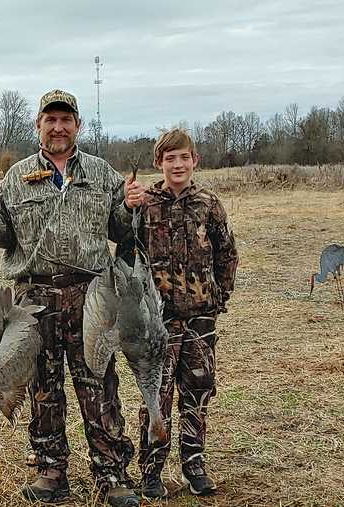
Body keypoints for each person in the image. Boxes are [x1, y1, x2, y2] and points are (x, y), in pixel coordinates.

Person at [0, 89, 146, 507]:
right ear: (38, 125)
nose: (58, 127)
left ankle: (112, 475)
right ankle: (50, 471)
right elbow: (3, 236)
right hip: (35, 298)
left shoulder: (101, 173)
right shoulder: (17, 177)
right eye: (51, 119)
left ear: (77, 125)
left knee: (98, 382)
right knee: (43, 387)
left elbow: (120, 231)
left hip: (91, 295)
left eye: (66, 119)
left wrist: (129, 206)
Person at [128, 128, 238, 499]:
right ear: (159, 163)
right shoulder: (144, 204)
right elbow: (127, 254)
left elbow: (227, 254)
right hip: (157, 322)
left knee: (198, 393)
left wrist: (218, 298)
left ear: (195, 161)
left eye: (184, 157)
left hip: (200, 320)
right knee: (156, 397)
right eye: (170, 158)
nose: (178, 164)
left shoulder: (209, 204)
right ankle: (151, 471)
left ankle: (195, 466)